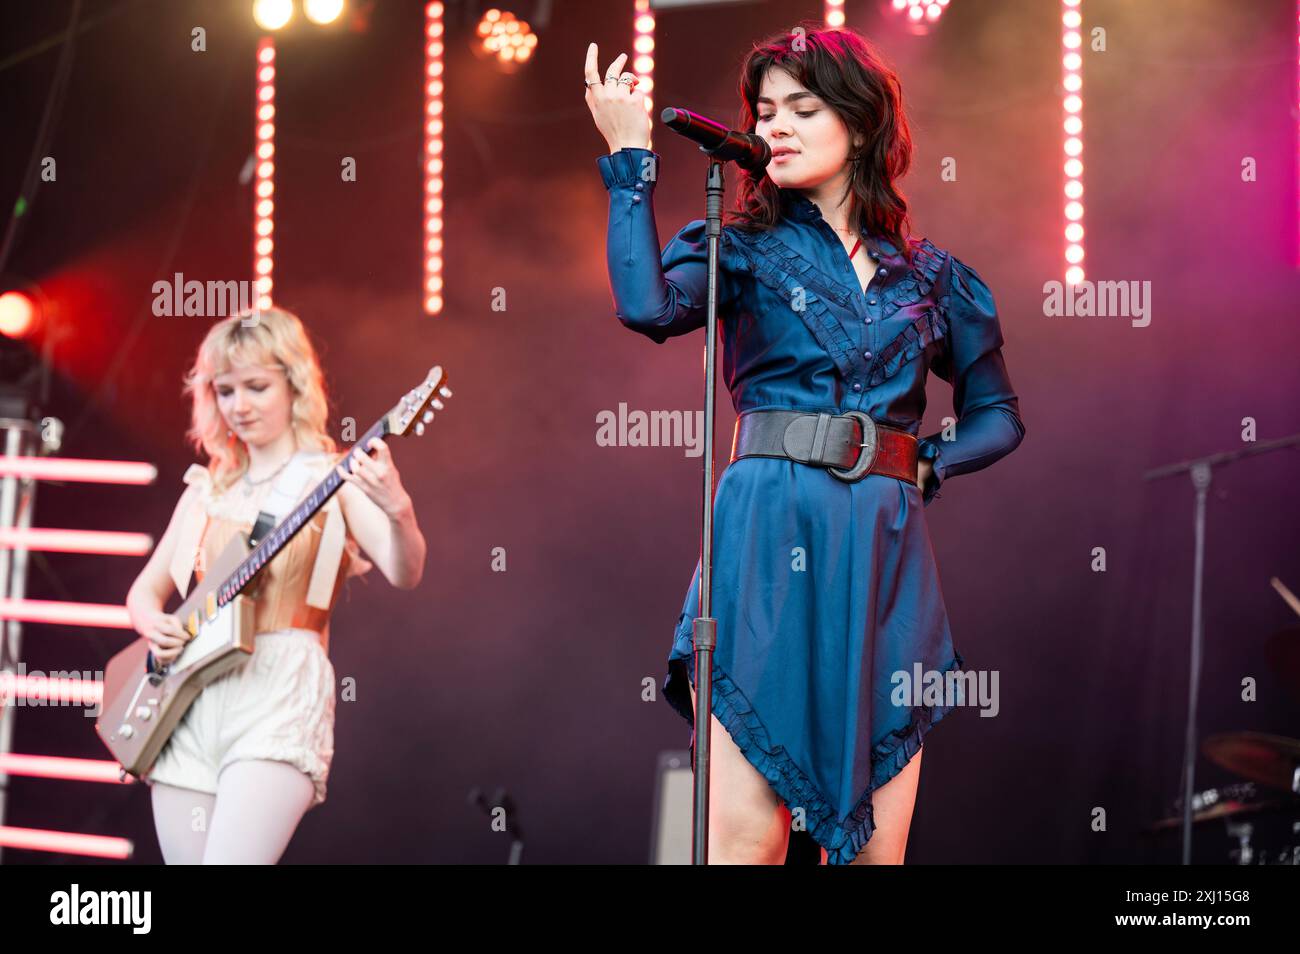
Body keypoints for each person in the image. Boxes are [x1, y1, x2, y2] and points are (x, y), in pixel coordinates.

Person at [584, 25, 1025, 864]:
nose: (773, 126)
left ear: (860, 123)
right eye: (764, 110)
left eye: (801, 108)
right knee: (746, 840)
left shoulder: (934, 278)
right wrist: (630, 157)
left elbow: (999, 413)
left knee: (874, 854)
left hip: (885, 547)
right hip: (767, 531)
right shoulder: (742, 248)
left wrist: (928, 461)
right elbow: (646, 307)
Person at [124, 307, 427, 864]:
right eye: (225, 391)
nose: (239, 406)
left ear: (294, 382)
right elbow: (144, 593)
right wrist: (154, 624)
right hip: (190, 696)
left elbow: (406, 573)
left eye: (257, 386)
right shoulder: (205, 490)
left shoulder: (336, 477)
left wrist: (399, 508)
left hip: (279, 692)